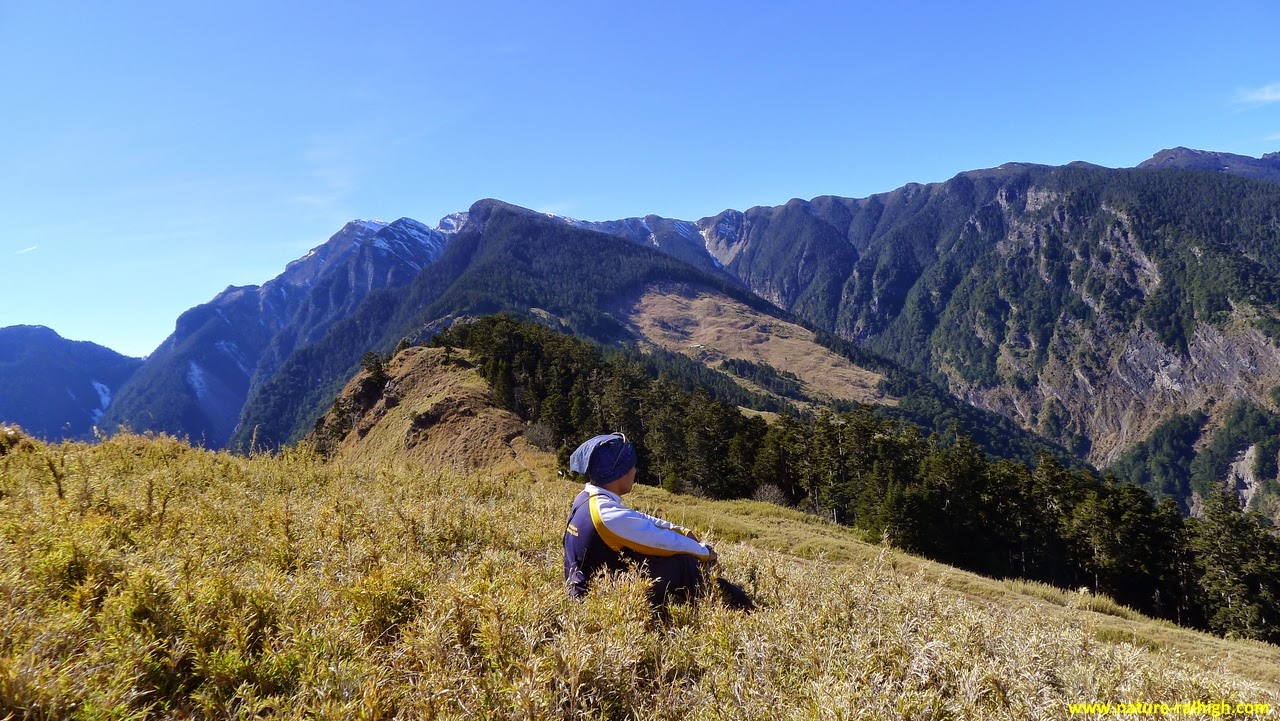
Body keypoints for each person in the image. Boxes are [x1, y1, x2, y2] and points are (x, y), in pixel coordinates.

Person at [562, 433, 753, 610]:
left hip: (584, 589)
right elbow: (661, 541)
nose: (635, 471)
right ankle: (740, 607)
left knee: (663, 559)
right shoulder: (606, 514)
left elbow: (639, 520)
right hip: (597, 600)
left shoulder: (587, 498)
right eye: (631, 467)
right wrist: (704, 553)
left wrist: (681, 531)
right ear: (618, 473)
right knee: (684, 563)